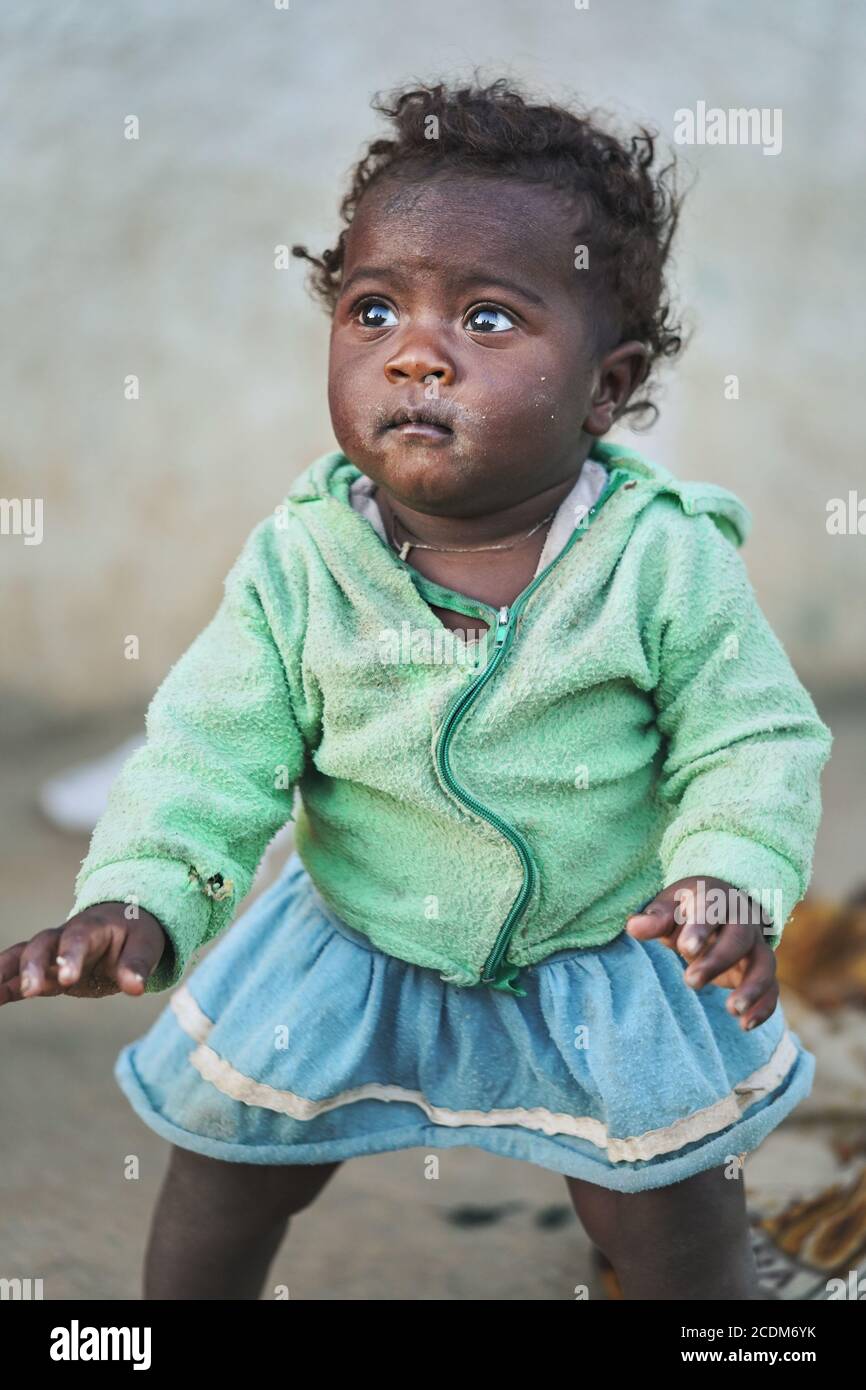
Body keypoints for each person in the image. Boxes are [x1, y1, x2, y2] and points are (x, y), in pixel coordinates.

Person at [1, 77, 832, 1301]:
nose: (413, 353)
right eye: (371, 306)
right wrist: (139, 890)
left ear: (605, 385)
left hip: (598, 946)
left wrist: (727, 877)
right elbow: (207, 751)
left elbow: (748, 737)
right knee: (232, 1157)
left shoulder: (657, 558)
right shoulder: (302, 561)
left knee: (656, 1204)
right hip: (359, 936)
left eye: (487, 320)